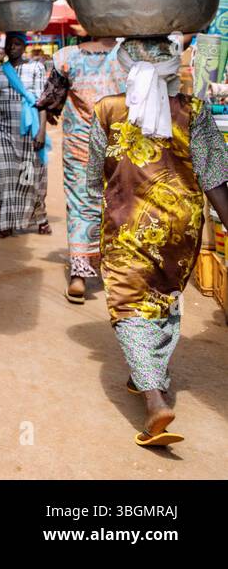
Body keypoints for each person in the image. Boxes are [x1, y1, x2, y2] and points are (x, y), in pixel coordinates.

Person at [87, 36, 228, 446]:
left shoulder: (108, 110)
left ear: (127, 66)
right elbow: (216, 178)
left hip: (127, 223)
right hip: (181, 227)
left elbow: (95, 172)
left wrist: (90, 225)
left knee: (130, 305)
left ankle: (154, 400)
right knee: (164, 298)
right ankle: (146, 372)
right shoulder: (195, 111)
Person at [36, 35, 125, 302]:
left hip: (80, 146)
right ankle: (119, 274)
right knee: (120, 205)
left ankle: (79, 276)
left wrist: (52, 111)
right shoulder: (130, 54)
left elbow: (51, 100)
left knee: (80, 206)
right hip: (121, 143)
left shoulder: (68, 57)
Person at [0, 31, 50, 239]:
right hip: (0, 129)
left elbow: (41, 102)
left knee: (30, 175)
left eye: (17, 44)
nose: (12, 48)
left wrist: (41, 131)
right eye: (9, 44)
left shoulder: (36, 68)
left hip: (28, 130)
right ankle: (5, 224)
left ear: (25, 47)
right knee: (4, 177)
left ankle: (40, 217)